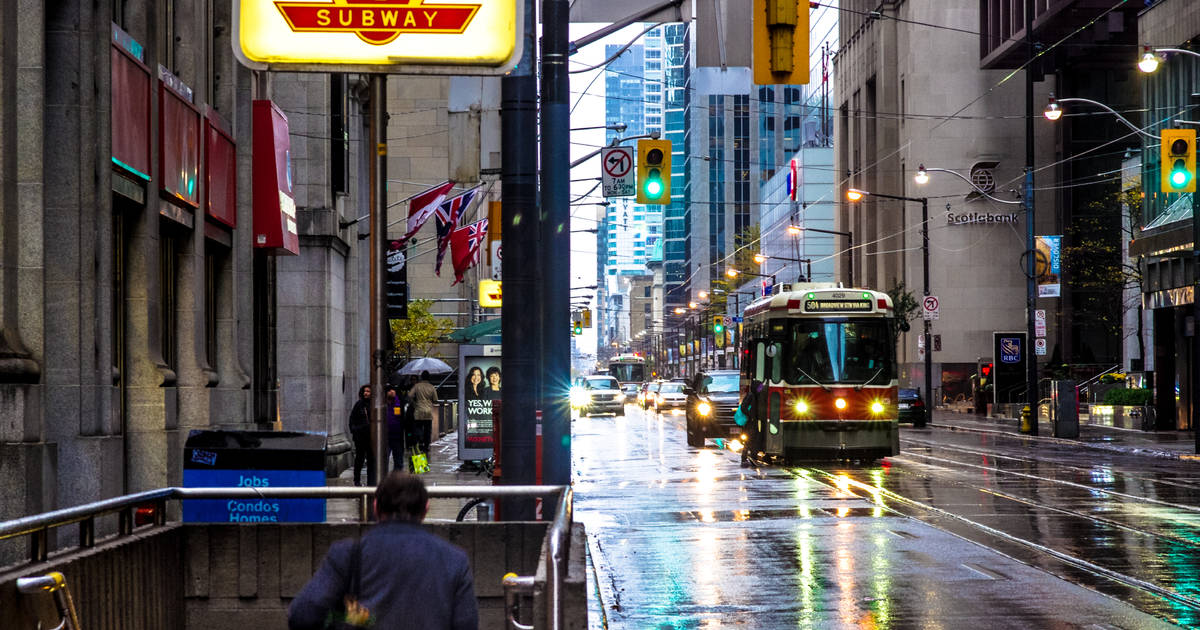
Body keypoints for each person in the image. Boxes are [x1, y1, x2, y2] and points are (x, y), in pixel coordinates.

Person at [287, 472, 479, 630]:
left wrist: (353, 619)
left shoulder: (347, 555)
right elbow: (466, 623)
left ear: (376, 507)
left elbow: (302, 615)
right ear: (425, 509)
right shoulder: (454, 559)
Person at [348, 385, 375, 486]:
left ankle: (371, 481)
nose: (366, 393)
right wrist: (354, 430)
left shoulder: (373, 404)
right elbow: (352, 419)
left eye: (368, 391)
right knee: (359, 459)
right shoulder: (359, 404)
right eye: (365, 391)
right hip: (360, 437)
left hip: (370, 438)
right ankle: (357, 480)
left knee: (371, 460)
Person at [409, 370, 439, 457]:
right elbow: (435, 399)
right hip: (428, 412)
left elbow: (410, 395)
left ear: (421, 377)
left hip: (418, 411)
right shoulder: (431, 387)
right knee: (427, 429)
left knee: (418, 427)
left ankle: (419, 441)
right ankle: (426, 446)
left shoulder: (417, 386)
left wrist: (414, 403)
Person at [740, 380, 765, 468]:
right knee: (749, 440)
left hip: (755, 421)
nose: (760, 389)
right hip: (751, 422)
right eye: (759, 387)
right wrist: (750, 415)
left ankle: (752, 457)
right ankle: (744, 458)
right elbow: (743, 407)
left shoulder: (757, 395)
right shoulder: (751, 395)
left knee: (755, 439)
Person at [385, 386, 407, 472]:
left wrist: (410, 435)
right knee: (384, 458)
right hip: (387, 436)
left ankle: (400, 478)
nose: (392, 391)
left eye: (393, 390)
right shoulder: (383, 403)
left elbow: (406, 420)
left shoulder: (400, 402)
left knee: (399, 458)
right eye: (390, 390)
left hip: (398, 435)